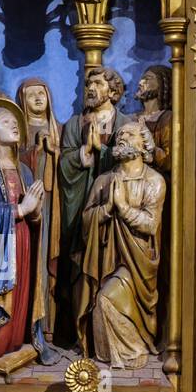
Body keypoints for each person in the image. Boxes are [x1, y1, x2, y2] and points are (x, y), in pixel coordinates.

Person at [77, 120, 166, 368]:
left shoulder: (154, 181)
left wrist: (123, 207)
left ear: (144, 143)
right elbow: (86, 220)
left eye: (129, 134)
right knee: (100, 303)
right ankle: (111, 355)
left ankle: (133, 350)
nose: (121, 137)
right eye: (120, 135)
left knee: (107, 300)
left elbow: (150, 224)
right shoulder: (104, 180)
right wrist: (106, 208)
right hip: (107, 257)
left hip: (138, 261)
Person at [58, 66, 132, 341]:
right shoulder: (75, 124)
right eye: (89, 84)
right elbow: (65, 164)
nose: (91, 89)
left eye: (98, 84)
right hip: (81, 208)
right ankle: (79, 333)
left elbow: (133, 160)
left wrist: (104, 151)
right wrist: (84, 152)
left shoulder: (126, 123)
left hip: (115, 210)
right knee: (78, 266)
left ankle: (107, 334)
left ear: (113, 92)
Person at [0, 104, 44, 372]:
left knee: (22, 289)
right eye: (6, 122)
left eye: (16, 121)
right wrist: (21, 209)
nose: (15, 125)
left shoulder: (23, 170)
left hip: (22, 238)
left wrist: (35, 212)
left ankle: (17, 340)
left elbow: (33, 214)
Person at [16, 77, 63, 359]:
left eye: (41, 94)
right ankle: (30, 328)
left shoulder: (59, 130)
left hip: (53, 209)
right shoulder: (17, 133)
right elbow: (13, 166)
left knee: (48, 266)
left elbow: (70, 171)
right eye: (31, 94)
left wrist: (54, 152)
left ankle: (49, 328)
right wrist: (35, 151)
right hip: (28, 208)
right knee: (31, 265)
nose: (37, 98)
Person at [134, 65, 172, 174]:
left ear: (162, 84)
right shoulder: (131, 118)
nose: (140, 83)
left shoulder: (167, 118)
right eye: (142, 79)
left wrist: (152, 150)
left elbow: (169, 160)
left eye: (148, 79)